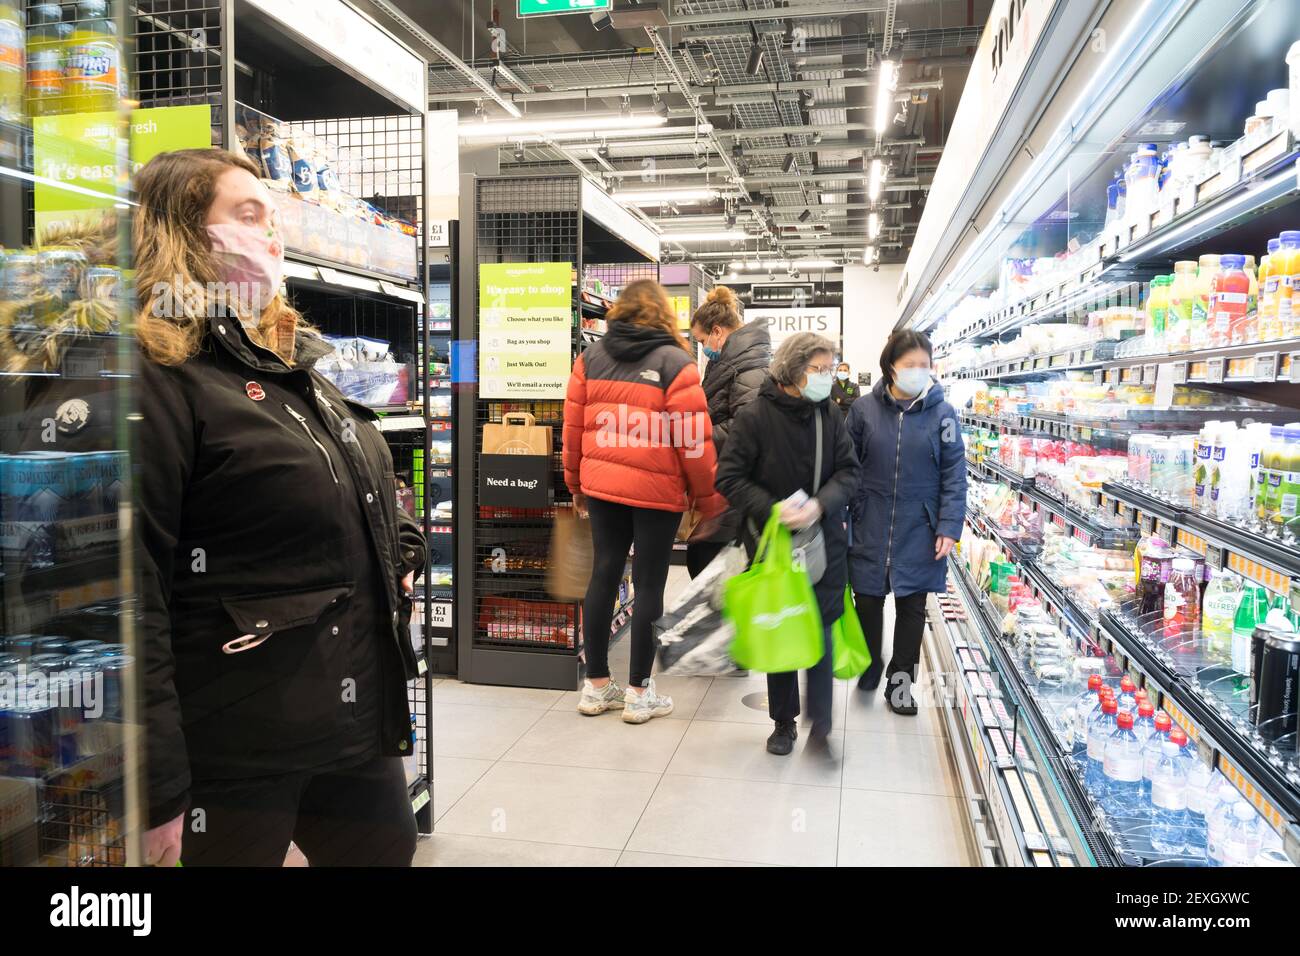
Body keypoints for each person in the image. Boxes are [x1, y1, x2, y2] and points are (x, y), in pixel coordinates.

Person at [122, 149, 424, 865]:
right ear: (181, 232)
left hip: (345, 714)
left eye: (274, 217)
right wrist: (154, 782)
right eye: (249, 215)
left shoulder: (288, 361)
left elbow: (361, 474)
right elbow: (130, 592)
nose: (272, 236)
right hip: (232, 739)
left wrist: (401, 543)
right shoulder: (156, 375)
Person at [563, 279, 725, 723]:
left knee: (603, 572)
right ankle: (638, 691)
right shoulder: (677, 361)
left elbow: (573, 429)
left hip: (602, 487)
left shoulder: (589, 359)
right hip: (658, 491)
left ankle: (596, 686)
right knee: (650, 584)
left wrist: (575, 483)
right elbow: (694, 439)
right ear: (662, 314)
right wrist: (707, 496)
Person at [715, 332, 859, 756]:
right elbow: (728, 477)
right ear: (792, 369)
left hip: (822, 541)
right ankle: (783, 722)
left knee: (820, 627)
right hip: (770, 544)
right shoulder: (755, 417)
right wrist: (773, 509)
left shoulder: (829, 415)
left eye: (829, 369)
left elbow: (850, 472)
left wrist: (820, 505)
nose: (826, 377)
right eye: (818, 369)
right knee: (781, 623)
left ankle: (822, 724)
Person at [846, 329, 966, 715]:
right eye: (909, 365)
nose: (918, 372)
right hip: (870, 520)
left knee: (912, 610)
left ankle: (901, 686)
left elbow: (954, 472)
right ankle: (869, 663)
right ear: (890, 367)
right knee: (866, 600)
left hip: (921, 526)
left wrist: (949, 524)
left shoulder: (943, 415)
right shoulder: (863, 411)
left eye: (924, 366)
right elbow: (847, 467)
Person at [685, 285, 771, 577]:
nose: (703, 347)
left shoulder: (749, 368)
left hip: (738, 488)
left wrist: (697, 431)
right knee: (705, 565)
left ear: (717, 332)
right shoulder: (730, 362)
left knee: (714, 570)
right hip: (726, 486)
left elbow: (746, 428)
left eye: (701, 340)